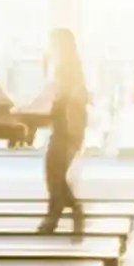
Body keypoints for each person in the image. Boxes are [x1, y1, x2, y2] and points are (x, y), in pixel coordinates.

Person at [18, 28, 88, 235]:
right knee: (55, 174)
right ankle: (54, 217)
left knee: (54, 174)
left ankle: (67, 212)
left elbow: (57, 100)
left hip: (66, 129)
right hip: (68, 128)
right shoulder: (70, 67)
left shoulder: (64, 69)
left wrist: (28, 111)